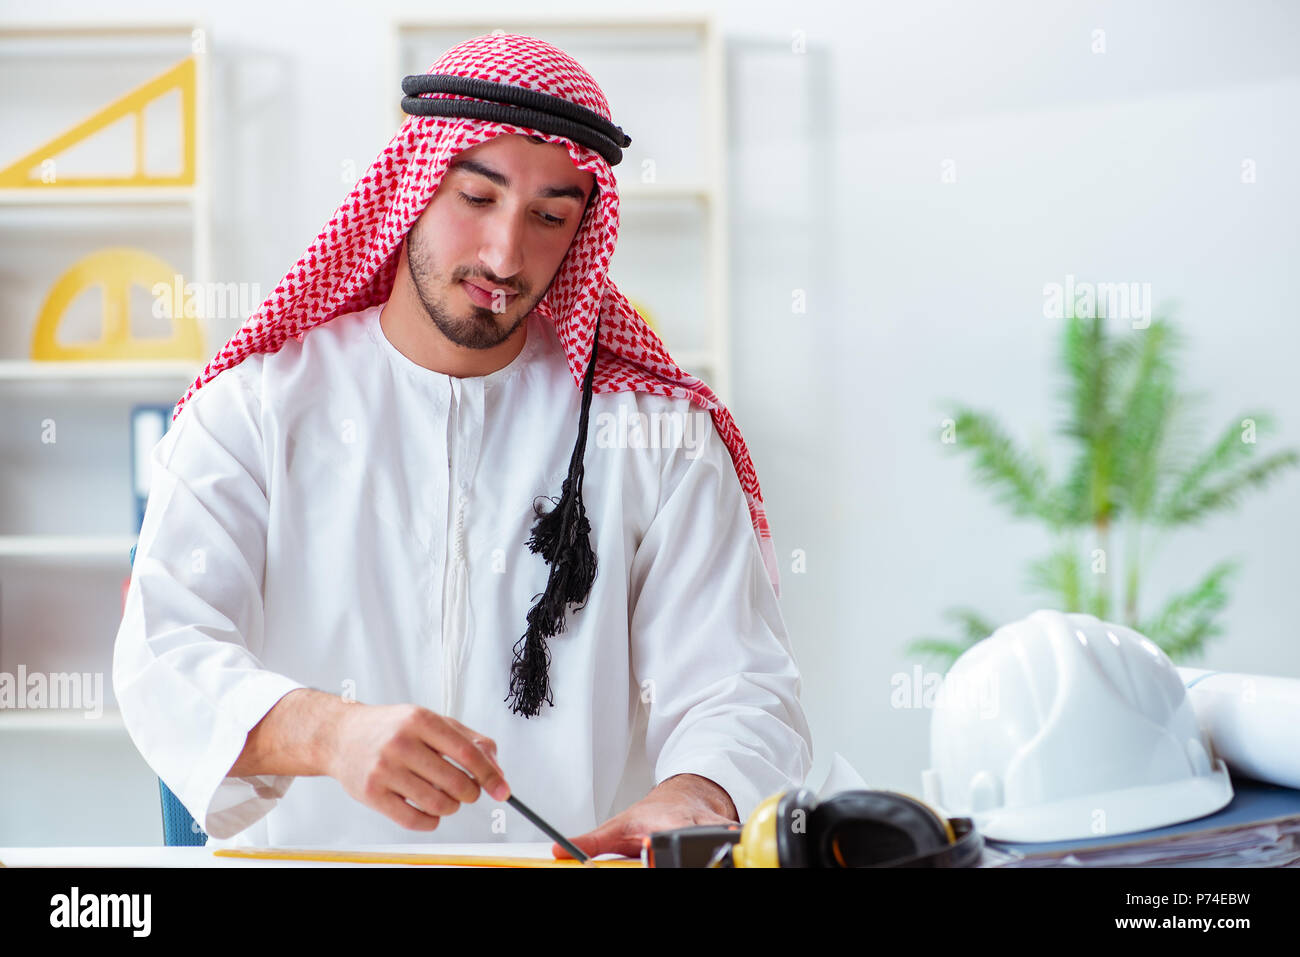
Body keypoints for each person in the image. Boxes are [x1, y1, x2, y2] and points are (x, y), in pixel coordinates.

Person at [113, 33, 812, 859]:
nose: (505, 254)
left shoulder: (658, 438)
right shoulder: (257, 409)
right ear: (413, 184)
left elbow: (742, 686)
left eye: (550, 217)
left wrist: (695, 792)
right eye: (477, 198)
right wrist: (330, 731)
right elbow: (165, 649)